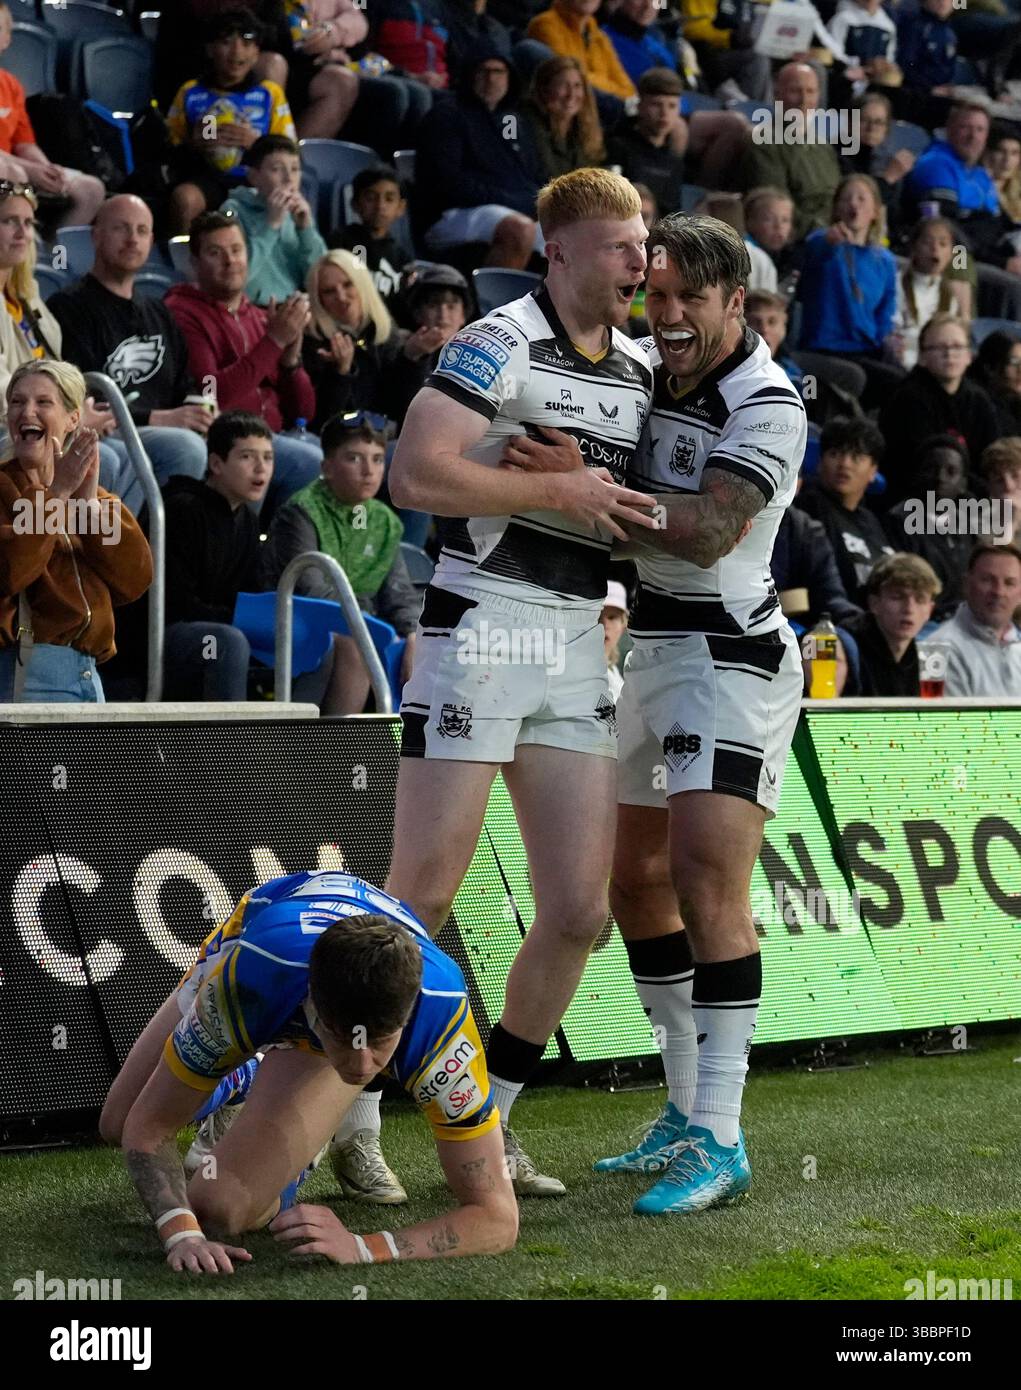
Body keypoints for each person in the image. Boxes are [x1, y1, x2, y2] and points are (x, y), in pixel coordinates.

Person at [385, 167, 658, 1197]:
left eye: (643, 244)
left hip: (575, 643)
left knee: (580, 908)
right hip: (482, 629)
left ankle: (485, 1124)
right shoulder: (496, 339)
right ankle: (351, 1116)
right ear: (560, 251)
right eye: (620, 244)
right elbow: (417, 476)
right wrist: (560, 487)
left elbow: (621, 514)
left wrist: (616, 592)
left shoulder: (639, 369)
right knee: (421, 896)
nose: (639, 260)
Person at [575, 213, 806, 1213]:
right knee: (634, 884)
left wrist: (579, 498)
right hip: (649, 652)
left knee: (709, 877)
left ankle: (721, 1134)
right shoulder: (638, 371)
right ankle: (679, 1107)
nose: (663, 317)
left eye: (685, 300)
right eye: (652, 296)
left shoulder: (768, 402)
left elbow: (711, 530)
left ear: (735, 303)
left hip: (731, 657)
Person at [98, 870, 518, 1273]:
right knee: (119, 1121)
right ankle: (243, 1073)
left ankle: (289, 1140)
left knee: (215, 1209)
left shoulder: (442, 1020)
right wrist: (180, 1235)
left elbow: (497, 1219)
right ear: (313, 1004)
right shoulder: (251, 982)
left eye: (380, 1045)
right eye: (342, 1039)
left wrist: (364, 1246)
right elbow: (148, 1128)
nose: (361, 1065)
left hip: (317, 1008)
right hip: (263, 944)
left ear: (406, 1020)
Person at [47, 195, 213, 517]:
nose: (132, 239)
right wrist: (154, 418)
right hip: (107, 429)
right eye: (121, 229)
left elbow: (188, 383)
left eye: (141, 231)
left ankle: (160, 554)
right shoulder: (68, 308)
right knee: (178, 448)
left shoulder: (159, 311)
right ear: (95, 235)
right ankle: (115, 554)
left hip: (156, 432)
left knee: (215, 448)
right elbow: (84, 397)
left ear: (151, 241)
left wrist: (200, 408)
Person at [0, 360, 152, 702]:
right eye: (17, 402)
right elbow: (9, 571)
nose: (27, 412)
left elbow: (135, 579)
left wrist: (89, 508)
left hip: (89, 674)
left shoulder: (91, 492)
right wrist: (55, 496)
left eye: (43, 402)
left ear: (72, 419)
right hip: (23, 671)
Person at [260, 413, 420, 713]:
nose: (369, 471)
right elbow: (309, 590)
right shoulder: (301, 511)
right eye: (354, 459)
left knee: (421, 646)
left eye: (377, 459)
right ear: (327, 468)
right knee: (356, 643)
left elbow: (399, 592)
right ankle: (335, 749)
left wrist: (412, 633)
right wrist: (370, 624)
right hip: (292, 619)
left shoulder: (384, 520)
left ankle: (394, 752)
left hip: (361, 621)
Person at [166, 211, 322, 517]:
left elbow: (303, 413)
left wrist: (290, 359)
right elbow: (212, 395)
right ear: (194, 263)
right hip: (229, 441)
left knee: (331, 459)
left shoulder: (261, 315)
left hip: (275, 437)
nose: (230, 261)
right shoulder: (182, 312)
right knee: (303, 463)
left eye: (236, 250)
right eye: (215, 252)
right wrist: (274, 342)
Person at [160, 409, 272, 700]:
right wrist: (238, 619)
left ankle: (294, 742)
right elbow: (175, 602)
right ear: (216, 463)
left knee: (314, 647)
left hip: (221, 624)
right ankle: (231, 745)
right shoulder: (180, 509)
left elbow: (252, 592)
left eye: (268, 458)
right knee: (227, 641)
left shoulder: (247, 519)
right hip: (166, 634)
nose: (261, 468)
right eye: (247, 457)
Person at [166, 8, 298, 235]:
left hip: (255, 181)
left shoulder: (270, 94)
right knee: (184, 199)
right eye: (227, 42)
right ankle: (188, 266)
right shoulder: (190, 92)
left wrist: (257, 145)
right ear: (210, 49)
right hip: (207, 179)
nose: (237, 52)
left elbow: (290, 151)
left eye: (247, 44)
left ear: (257, 52)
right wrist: (191, 144)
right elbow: (167, 148)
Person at [414, 51, 545, 270]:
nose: (491, 79)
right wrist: (512, 200)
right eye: (483, 71)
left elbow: (528, 174)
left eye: (498, 72)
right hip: (451, 213)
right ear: (469, 75)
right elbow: (448, 184)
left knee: (572, 236)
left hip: (504, 208)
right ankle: (498, 304)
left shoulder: (512, 120)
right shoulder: (448, 114)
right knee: (518, 230)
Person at [797, 174, 903, 409]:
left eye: (861, 199)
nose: (854, 204)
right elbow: (815, 254)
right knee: (870, 379)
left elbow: (886, 311)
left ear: (875, 210)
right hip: (825, 349)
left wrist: (887, 342)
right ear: (836, 208)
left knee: (908, 382)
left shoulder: (884, 260)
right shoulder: (821, 241)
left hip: (866, 349)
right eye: (846, 199)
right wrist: (829, 242)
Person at [0, 2, 105, 229]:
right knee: (12, 173)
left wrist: (47, 169)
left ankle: (53, 253)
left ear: (7, 39)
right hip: (9, 168)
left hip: (17, 164)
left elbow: (24, 143)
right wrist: (31, 171)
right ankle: (17, 249)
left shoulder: (11, 86)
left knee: (91, 189)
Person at [878, 313, 1001, 505]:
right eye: (940, 347)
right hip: (915, 499)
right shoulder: (908, 397)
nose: (949, 354)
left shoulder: (979, 399)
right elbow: (921, 466)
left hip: (968, 494)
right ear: (922, 357)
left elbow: (991, 457)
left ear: (970, 356)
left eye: (957, 347)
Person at [302, 250, 409, 431]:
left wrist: (414, 360)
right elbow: (324, 423)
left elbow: (404, 408)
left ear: (362, 285)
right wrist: (340, 373)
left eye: (348, 285)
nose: (342, 297)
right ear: (319, 299)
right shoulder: (313, 343)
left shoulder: (386, 331)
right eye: (329, 291)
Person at [795, 416, 894, 605]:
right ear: (820, 461)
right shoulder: (808, 507)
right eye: (834, 454)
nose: (845, 464)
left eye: (857, 457)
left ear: (873, 471)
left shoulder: (870, 520)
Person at [739, 63, 843, 241]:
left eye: (811, 91)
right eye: (796, 91)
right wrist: (825, 232)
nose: (804, 100)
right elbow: (777, 210)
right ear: (777, 95)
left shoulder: (824, 148)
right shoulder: (765, 142)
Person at [221, 134, 327, 306]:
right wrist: (271, 225)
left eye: (294, 169)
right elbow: (236, 277)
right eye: (277, 169)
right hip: (252, 309)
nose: (288, 179)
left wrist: (306, 230)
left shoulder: (298, 213)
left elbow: (322, 278)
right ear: (254, 177)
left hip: (295, 307)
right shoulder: (232, 210)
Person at [883, 434, 975, 620]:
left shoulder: (967, 526)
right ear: (917, 474)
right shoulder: (898, 522)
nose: (940, 478)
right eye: (931, 468)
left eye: (950, 471)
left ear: (963, 484)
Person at [843, 553, 941, 696]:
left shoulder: (930, 653)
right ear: (874, 603)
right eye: (898, 597)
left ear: (930, 610)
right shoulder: (846, 645)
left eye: (920, 599)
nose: (909, 609)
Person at [933, 541, 1021, 694]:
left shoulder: (1017, 646)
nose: (999, 592)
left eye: (1009, 583)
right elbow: (951, 718)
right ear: (966, 584)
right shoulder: (939, 649)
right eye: (987, 580)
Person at [889, 217, 970, 372]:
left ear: (952, 253)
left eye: (943, 244)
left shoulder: (949, 295)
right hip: (903, 362)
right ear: (914, 248)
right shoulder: (896, 284)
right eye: (927, 243)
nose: (935, 250)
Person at [328, 165, 410, 316]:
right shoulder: (341, 241)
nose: (380, 206)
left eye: (389, 199)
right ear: (355, 204)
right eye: (371, 198)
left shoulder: (401, 256)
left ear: (401, 207)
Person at [527, 0, 637, 108]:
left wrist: (591, 80)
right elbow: (571, 80)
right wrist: (609, 85)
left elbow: (628, 90)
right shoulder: (545, 25)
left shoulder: (599, 36)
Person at [523, 57, 607, 183]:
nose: (571, 94)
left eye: (577, 86)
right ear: (544, 89)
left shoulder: (584, 129)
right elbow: (547, 179)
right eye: (563, 85)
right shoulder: (526, 124)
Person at [678, 0, 771, 105]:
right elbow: (691, 28)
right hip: (709, 52)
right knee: (757, 59)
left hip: (750, 48)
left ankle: (765, 113)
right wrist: (729, 37)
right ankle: (753, 113)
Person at [969, 329, 1021, 435]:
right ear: (990, 368)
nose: (1020, 370)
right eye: (1014, 362)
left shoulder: (1012, 402)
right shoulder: (978, 406)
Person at [980, 435, 1021, 544]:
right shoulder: (979, 527)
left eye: (1015, 476)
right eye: (999, 480)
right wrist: (1009, 524)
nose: (1008, 486)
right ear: (990, 488)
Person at [986, 125, 1021, 224]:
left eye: (1014, 153)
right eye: (1001, 151)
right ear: (989, 154)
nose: (1007, 160)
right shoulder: (979, 188)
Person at [600, 578, 628, 702]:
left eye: (612, 617)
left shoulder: (615, 673)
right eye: (597, 616)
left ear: (623, 626)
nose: (604, 624)